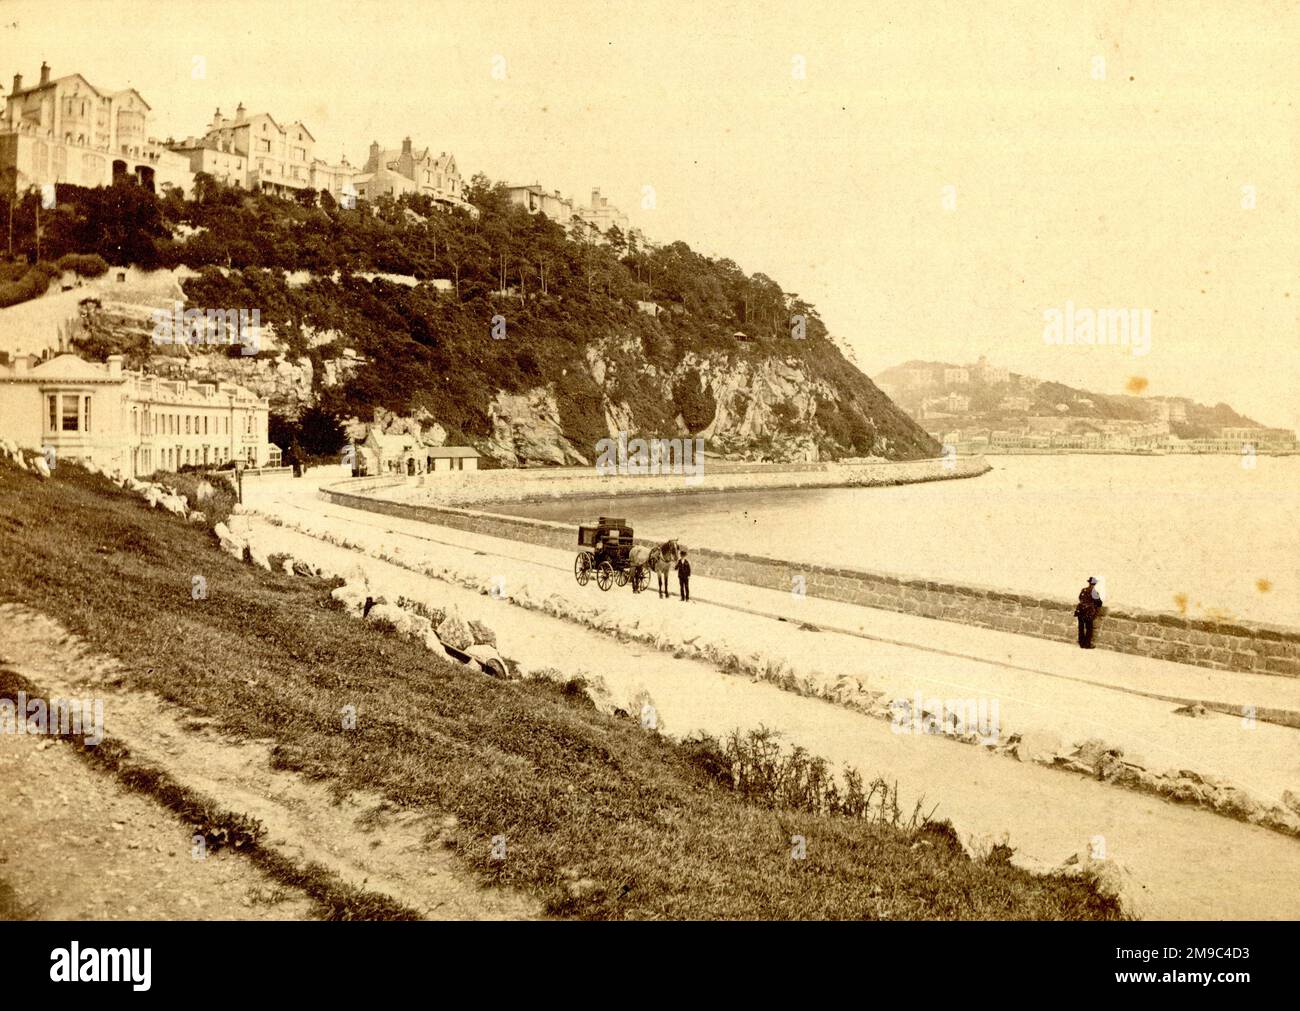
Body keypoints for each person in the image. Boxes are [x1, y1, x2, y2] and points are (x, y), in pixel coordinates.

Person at [1074, 576, 1103, 648]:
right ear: (1094, 584)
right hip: (1088, 611)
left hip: (1080, 610)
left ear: (1089, 583)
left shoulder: (1083, 590)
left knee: (1081, 627)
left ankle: (1081, 643)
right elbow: (1099, 603)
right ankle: (1087, 644)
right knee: (1089, 628)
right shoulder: (1094, 592)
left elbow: (1080, 598)